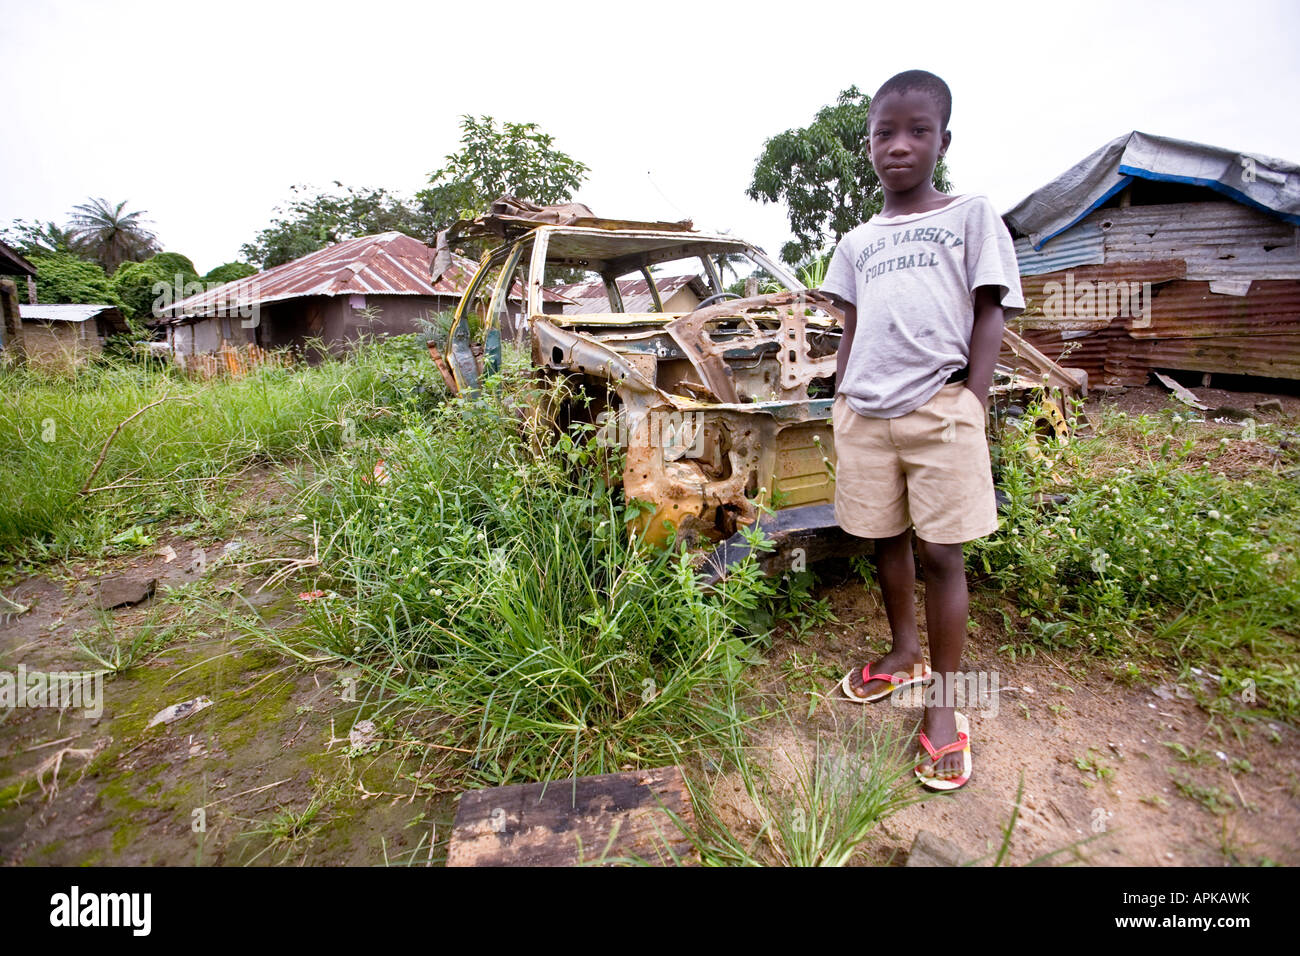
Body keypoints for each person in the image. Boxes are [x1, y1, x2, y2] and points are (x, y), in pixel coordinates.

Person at [819, 69, 1024, 790]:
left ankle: (945, 705)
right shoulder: (855, 240)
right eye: (884, 133)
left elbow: (989, 311)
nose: (898, 146)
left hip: (941, 408)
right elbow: (849, 323)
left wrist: (972, 398)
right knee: (886, 538)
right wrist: (840, 395)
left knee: (943, 552)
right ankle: (904, 654)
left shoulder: (970, 214)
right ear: (868, 143)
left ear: (942, 140)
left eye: (916, 132)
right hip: (866, 415)